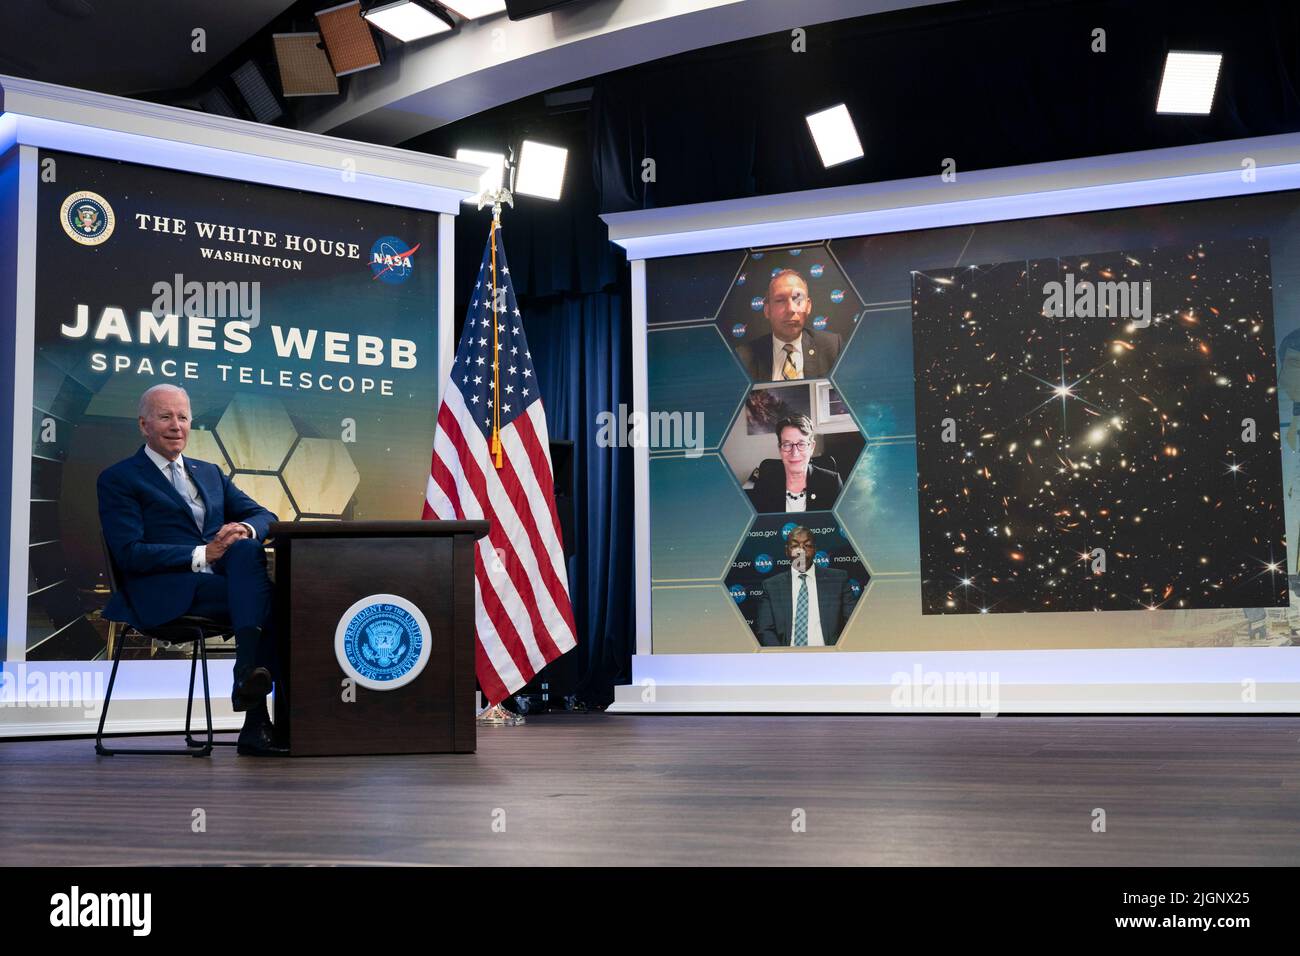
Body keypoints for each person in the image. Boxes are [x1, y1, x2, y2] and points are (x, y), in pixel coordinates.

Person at [97, 384, 284, 756]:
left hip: (221, 591)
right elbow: (130, 553)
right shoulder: (120, 479)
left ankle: (247, 676)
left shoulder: (210, 473)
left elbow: (266, 516)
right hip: (164, 590)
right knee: (275, 603)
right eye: (165, 416)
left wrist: (244, 528)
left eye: (182, 417)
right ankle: (255, 719)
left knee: (246, 547)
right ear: (144, 424)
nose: (176, 425)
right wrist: (202, 553)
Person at [752, 526, 858, 647]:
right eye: (795, 546)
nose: (801, 551)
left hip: (829, 658)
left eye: (807, 545)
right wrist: (782, 658)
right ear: (787, 551)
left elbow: (853, 623)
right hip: (786, 659)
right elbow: (765, 630)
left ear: (815, 549)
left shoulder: (838, 580)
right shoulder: (771, 586)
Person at [738, 269, 841, 381]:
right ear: (767, 310)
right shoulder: (743, 358)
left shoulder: (833, 348)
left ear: (808, 306)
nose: (791, 309)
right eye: (780, 300)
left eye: (798, 299)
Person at [748, 415, 843, 513]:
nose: (794, 453)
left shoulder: (832, 483)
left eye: (801, 444)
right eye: (787, 445)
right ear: (780, 448)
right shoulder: (764, 484)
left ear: (812, 447)